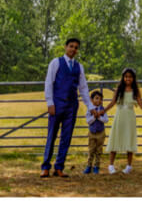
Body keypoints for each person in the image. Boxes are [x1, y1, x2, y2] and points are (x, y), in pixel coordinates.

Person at [40, 37, 100, 178]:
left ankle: (59, 167)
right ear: (65, 47)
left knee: (66, 137)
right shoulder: (56, 63)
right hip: (57, 104)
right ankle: (45, 167)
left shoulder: (79, 67)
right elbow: (49, 83)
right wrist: (50, 103)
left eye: (76, 47)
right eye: (71, 46)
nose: (73, 49)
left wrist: (90, 106)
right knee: (52, 135)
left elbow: (84, 89)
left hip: (72, 106)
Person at [102, 67, 142, 174]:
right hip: (119, 116)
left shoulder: (135, 91)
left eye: (130, 77)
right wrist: (102, 111)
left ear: (133, 78)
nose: (128, 79)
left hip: (129, 117)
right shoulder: (119, 90)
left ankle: (129, 166)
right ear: (123, 78)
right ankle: (111, 165)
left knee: (129, 139)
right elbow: (112, 103)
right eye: (126, 77)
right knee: (115, 137)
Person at [82, 90, 109, 174]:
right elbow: (88, 121)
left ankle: (96, 166)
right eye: (96, 98)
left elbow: (106, 120)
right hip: (92, 133)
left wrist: (99, 117)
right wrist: (94, 117)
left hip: (101, 133)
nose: (98, 101)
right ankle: (89, 166)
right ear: (91, 100)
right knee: (91, 150)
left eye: (100, 99)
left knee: (98, 150)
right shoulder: (89, 110)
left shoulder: (102, 109)